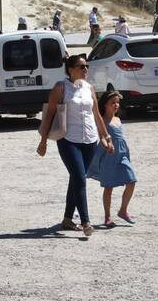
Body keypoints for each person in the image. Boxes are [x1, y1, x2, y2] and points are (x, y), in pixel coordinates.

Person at [37, 54, 114, 239]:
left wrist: (105, 137)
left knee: (76, 179)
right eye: (82, 66)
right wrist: (43, 140)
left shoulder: (89, 88)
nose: (86, 69)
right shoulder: (60, 88)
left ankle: (67, 218)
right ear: (71, 69)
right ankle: (86, 221)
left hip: (90, 140)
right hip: (68, 140)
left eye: (86, 66)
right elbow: (49, 115)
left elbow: (96, 115)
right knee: (80, 178)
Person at [88, 87, 137, 228]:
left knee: (132, 180)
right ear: (105, 105)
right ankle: (107, 216)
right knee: (109, 187)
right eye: (112, 102)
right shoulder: (102, 120)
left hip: (122, 155)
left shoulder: (118, 119)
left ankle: (123, 210)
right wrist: (106, 145)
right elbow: (101, 137)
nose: (116, 105)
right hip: (108, 156)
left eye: (117, 102)